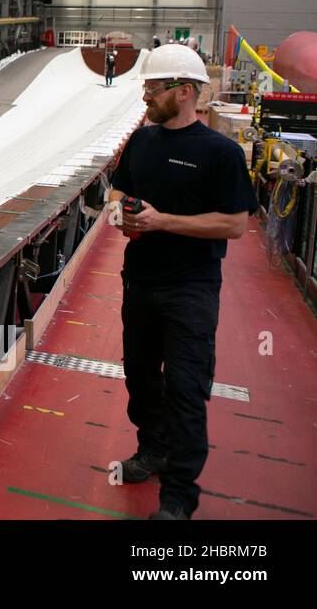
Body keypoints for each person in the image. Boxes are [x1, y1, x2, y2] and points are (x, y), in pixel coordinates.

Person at [105, 43, 257, 520]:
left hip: (190, 288)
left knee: (186, 388)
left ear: (184, 91)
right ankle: (153, 449)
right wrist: (118, 211)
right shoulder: (143, 141)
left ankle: (178, 498)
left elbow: (235, 224)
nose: (146, 95)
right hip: (141, 280)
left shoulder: (221, 153)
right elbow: (119, 187)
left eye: (154, 87)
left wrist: (163, 221)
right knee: (141, 377)